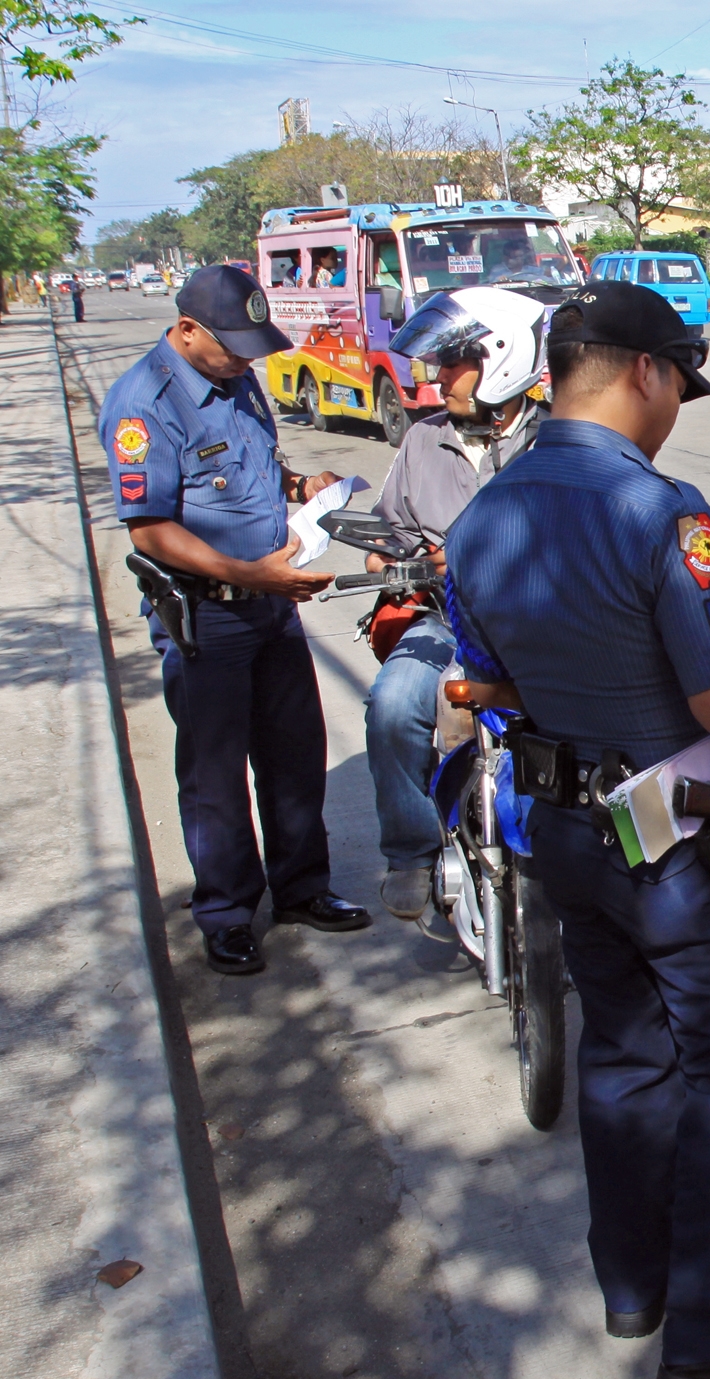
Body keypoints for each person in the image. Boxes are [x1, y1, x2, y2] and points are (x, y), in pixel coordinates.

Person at [444, 281, 710, 1379]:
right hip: (678, 850)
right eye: (679, 379)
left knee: (626, 1057)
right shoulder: (657, 511)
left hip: (568, 842)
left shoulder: (482, 516)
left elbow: (481, 680)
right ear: (644, 370)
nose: (677, 403)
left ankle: (634, 1285)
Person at [99, 264, 372, 975]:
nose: (246, 359)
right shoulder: (144, 404)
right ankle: (224, 912)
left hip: (272, 602)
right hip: (206, 615)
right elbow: (150, 528)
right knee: (215, 773)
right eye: (233, 345)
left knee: (293, 754)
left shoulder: (239, 379)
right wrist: (249, 573)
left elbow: (249, 470)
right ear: (187, 331)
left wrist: (298, 486)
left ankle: (303, 888)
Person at [363, 287, 550, 917]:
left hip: (539, 625)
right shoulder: (422, 440)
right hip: (445, 620)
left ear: (500, 360)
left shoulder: (558, 440)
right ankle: (412, 851)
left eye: (453, 364)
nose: (438, 377)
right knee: (393, 704)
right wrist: (393, 563)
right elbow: (387, 537)